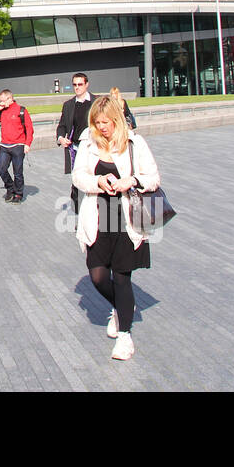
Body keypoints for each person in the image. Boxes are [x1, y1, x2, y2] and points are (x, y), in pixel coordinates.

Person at [71, 94, 161, 362]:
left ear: (117, 120)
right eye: (97, 123)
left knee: (122, 278)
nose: (102, 128)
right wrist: (98, 181)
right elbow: (78, 176)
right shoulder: (88, 142)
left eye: (106, 122)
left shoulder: (135, 142)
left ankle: (125, 336)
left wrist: (129, 181)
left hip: (126, 219)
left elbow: (153, 178)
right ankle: (122, 307)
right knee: (98, 276)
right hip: (97, 217)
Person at [57, 72, 95, 213]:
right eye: (74, 84)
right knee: (77, 183)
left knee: (94, 182)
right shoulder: (68, 105)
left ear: (86, 84)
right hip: (76, 149)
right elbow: (61, 126)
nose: (77, 87)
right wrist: (61, 138)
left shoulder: (96, 102)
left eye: (80, 84)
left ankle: (96, 214)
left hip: (93, 148)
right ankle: (79, 215)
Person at [0, 89, 32, 203]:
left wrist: (27, 144)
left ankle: (18, 193)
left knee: (17, 172)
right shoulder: (2, 111)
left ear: (10, 98)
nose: (2, 103)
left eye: (3, 101)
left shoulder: (21, 110)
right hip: (4, 145)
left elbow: (29, 128)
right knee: (1, 169)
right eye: (0, 101)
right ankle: (10, 187)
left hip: (18, 145)